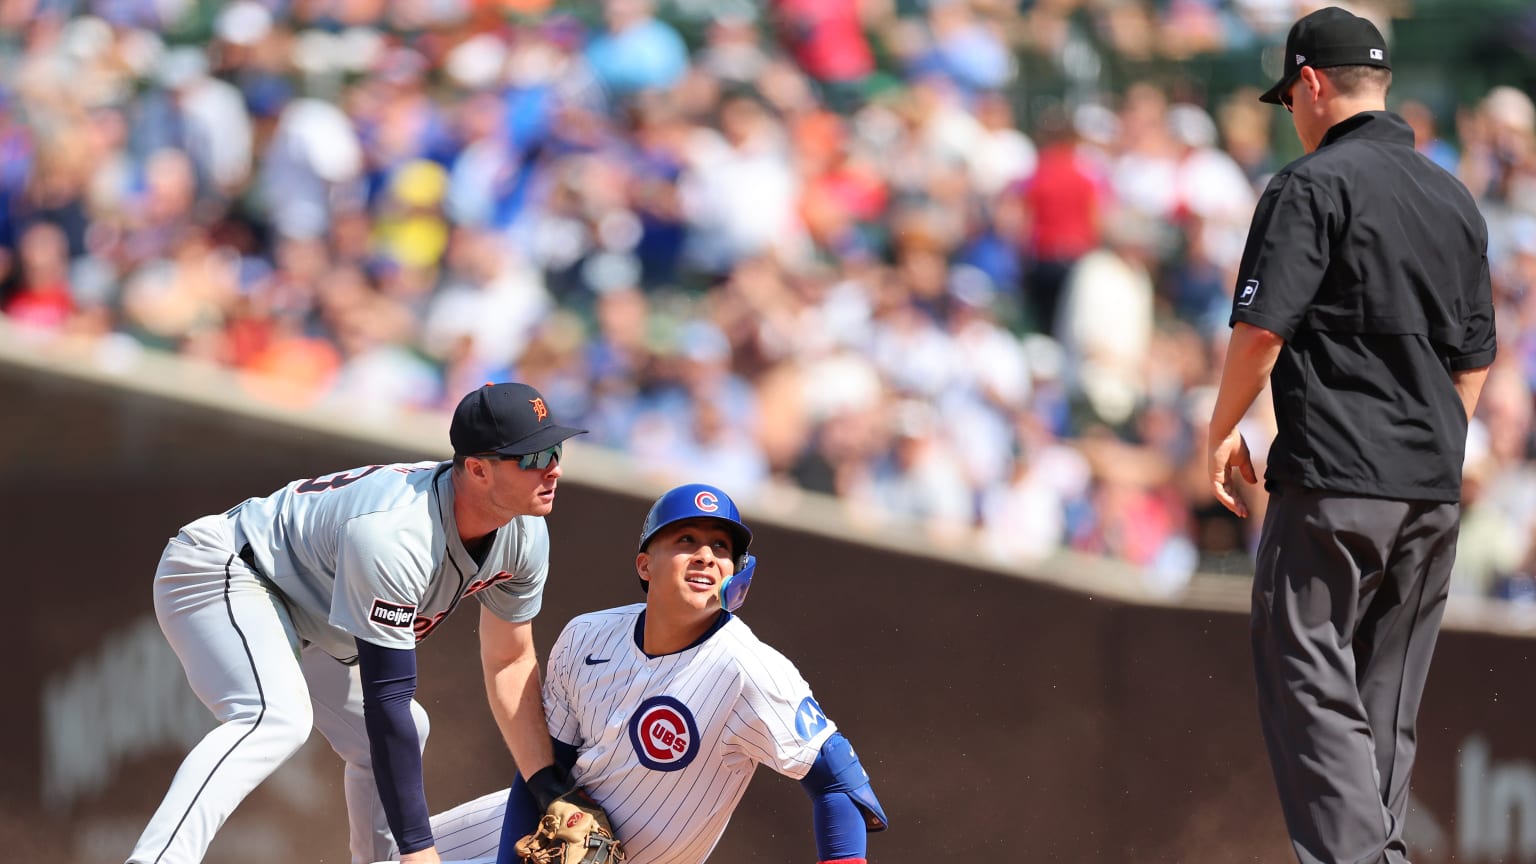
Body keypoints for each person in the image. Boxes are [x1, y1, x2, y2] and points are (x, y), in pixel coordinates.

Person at [1205, 8, 1496, 864]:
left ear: (1312, 83)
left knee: (1308, 674)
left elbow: (1261, 334)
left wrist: (1222, 430)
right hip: (1430, 490)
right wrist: (1431, 443)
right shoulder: (1453, 195)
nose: (1290, 113)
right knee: (1386, 693)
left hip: (1335, 479)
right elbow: (1474, 360)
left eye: (1289, 95)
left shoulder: (1310, 185)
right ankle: (1382, 853)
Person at [127, 382, 592, 864]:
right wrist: (420, 852)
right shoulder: (397, 534)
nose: (553, 467)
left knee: (408, 728)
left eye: (555, 449)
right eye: (534, 457)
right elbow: (384, 697)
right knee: (275, 718)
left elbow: (510, 661)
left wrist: (550, 788)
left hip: (309, 612)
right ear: (476, 469)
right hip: (227, 569)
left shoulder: (525, 533)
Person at [391, 482, 889, 864]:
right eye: (687, 539)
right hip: (549, 830)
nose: (706, 556)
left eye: (721, 547)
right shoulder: (587, 636)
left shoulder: (751, 671)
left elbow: (838, 784)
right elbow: (543, 769)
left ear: (737, 571)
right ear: (645, 564)